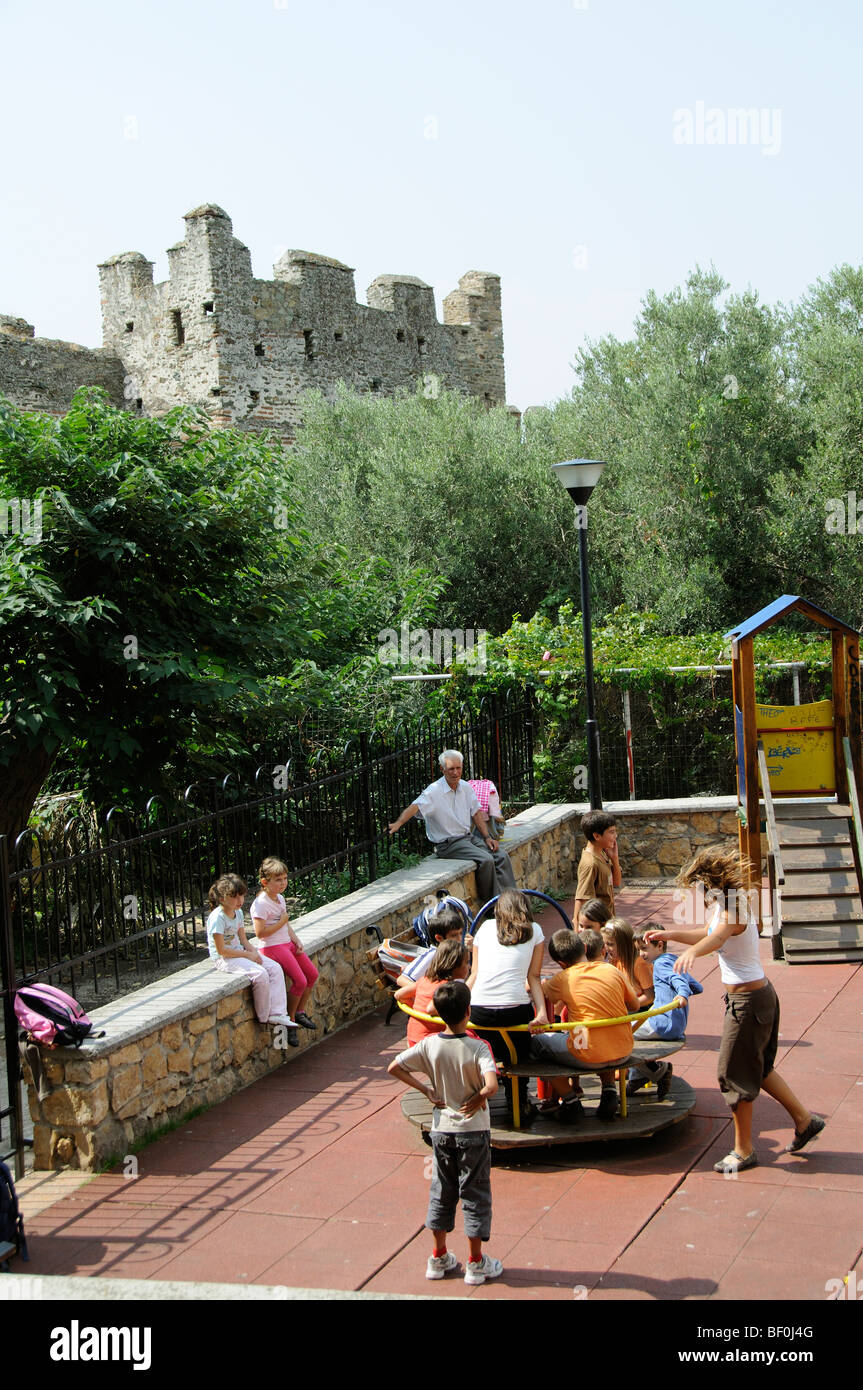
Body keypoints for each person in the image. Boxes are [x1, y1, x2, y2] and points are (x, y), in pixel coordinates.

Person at [657, 846, 825, 1174]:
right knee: (758, 1070)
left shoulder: (732, 909)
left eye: (697, 889)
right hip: (757, 998)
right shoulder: (727, 903)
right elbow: (708, 935)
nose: (695, 895)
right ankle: (805, 1121)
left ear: (709, 884)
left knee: (732, 1074)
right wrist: (671, 934)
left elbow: (717, 939)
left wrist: (694, 955)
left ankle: (743, 1150)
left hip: (749, 1004)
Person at [387, 980, 503, 1285]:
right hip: (474, 1131)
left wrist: (426, 1090)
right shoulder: (478, 1046)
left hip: (441, 1130)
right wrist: (477, 1098)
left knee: (442, 1189)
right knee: (475, 1192)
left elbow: (394, 1067)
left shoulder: (428, 1045)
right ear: (468, 1011)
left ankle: (438, 1257)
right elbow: (491, 1086)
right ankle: (476, 1262)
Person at [530, 928, 638, 1122]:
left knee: (536, 1043)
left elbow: (542, 993)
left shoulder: (563, 978)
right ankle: (609, 1090)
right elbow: (635, 1005)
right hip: (623, 1049)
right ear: (585, 948)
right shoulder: (611, 969)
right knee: (596, 1033)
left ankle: (570, 1099)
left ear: (561, 964)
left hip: (588, 1054)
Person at [387, 749, 516, 903]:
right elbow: (415, 807)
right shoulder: (434, 791)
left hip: (468, 838)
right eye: (451, 769)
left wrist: (488, 837)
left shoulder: (465, 787)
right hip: (447, 845)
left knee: (501, 856)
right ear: (442, 770)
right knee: (486, 860)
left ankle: (513, 902)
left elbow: (476, 813)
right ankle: (493, 906)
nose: (455, 772)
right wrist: (398, 823)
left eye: (458, 768)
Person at [466, 888, 548, 1122]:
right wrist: (541, 1012)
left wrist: (461, 1005)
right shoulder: (535, 931)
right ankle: (519, 1101)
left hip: (479, 1008)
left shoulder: (484, 928)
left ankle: (491, 1087)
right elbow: (533, 977)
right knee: (519, 1052)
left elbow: (475, 974)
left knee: (490, 1046)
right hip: (515, 1011)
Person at [206, 873, 296, 1029]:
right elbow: (222, 950)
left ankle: (278, 1013)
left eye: (241, 896)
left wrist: (254, 953)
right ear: (222, 899)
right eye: (234, 897)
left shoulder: (238, 913)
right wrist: (248, 955)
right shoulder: (217, 918)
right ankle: (264, 1016)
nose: (240, 901)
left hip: (240, 953)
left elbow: (243, 940)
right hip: (225, 959)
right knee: (260, 974)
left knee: (274, 968)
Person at [626, 926, 702, 1099]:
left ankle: (658, 1071)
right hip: (676, 1024)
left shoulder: (660, 964)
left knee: (618, 1035)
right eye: (639, 950)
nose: (641, 955)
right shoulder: (673, 961)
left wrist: (682, 993)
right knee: (628, 1030)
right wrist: (682, 991)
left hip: (662, 1023)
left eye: (644, 949)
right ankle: (638, 1076)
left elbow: (678, 981)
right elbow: (697, 986)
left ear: (659, 945)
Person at [251, 857, 319, 1046]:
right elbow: (260, 933)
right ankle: (289, 1022)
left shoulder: (279, 898)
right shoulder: (261, 904)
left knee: (312, 974)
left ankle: (299, 1012)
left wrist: (295, 938)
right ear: (265, 882)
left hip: (286, 942)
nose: (283, 883)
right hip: (272, 947)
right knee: (300, 980)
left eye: (284, 879)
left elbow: (285, 922)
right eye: (278, 880)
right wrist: (282, 923)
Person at [395, 939, 471, 1047]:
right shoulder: (448, 988)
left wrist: (418, 1010)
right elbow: (430, 1009)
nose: (469, 967)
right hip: (429, 1043)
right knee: (472, 1037)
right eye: (466, 962)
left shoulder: (425, 980)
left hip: (413, 1039)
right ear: (454, 965)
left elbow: (398, 995)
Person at [394, 906, 468, 990]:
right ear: (439, 938)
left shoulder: (459, 951)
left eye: (461, 933)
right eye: (454, 935)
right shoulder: (433, 955)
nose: (460, 938)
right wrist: (428, 991)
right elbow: (402, 980)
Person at [573, 811, 622, 920]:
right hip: (596, 927)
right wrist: (578, 934)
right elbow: (581, 901)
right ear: (596, 836)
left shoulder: (603, 853)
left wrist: (614, 858)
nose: (615, 835)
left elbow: (616, 882)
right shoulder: (590, 864)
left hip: (608, 922)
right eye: (611, 832)